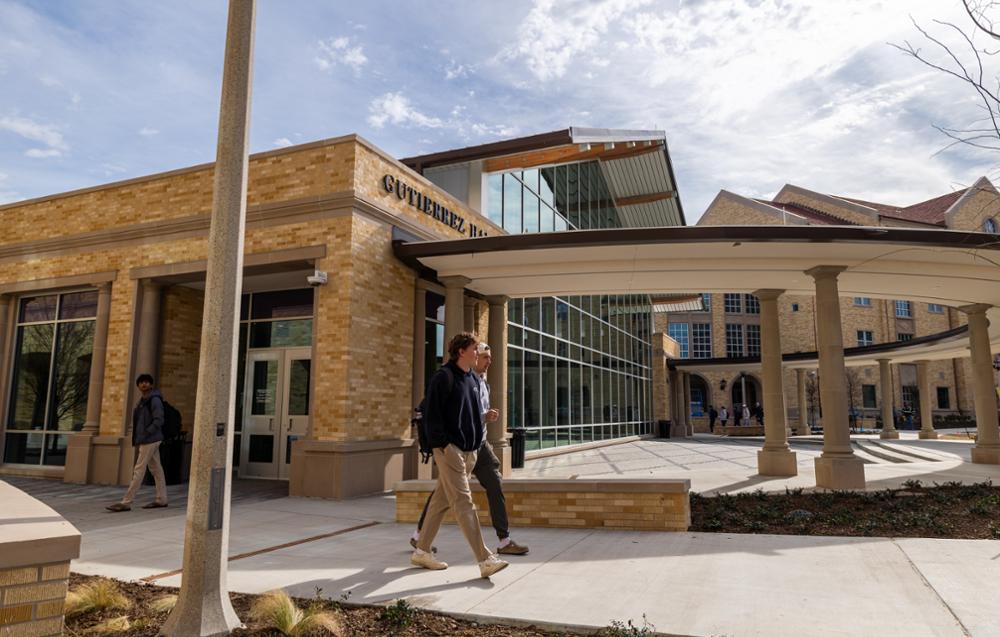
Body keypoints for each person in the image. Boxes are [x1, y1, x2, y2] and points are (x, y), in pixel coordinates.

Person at [411, 342, 529, 556]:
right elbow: (440, 413)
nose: (487, 361)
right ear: (465, 354)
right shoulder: (449, 378)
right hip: (456, 446)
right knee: (455, 497)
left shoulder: (480, 382)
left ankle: (504, 539)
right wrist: (444, 445)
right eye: (483, 356)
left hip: (477, 445)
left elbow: (472, 415)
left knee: (493, 483)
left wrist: (486, 417)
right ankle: (483, 557)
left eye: (488, 357)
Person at [106, 374, 168, 512]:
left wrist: (146, 433)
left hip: (150, 439)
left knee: (139, 469)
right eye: (141, 382)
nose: (144, 384)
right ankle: (162, 499)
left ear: (151, 385)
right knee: (156, 469)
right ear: (138, 386)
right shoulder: (142, 401)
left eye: (146, 382)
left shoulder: (154, 400)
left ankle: (126, 502)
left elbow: (159, 419)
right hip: (148, 439)